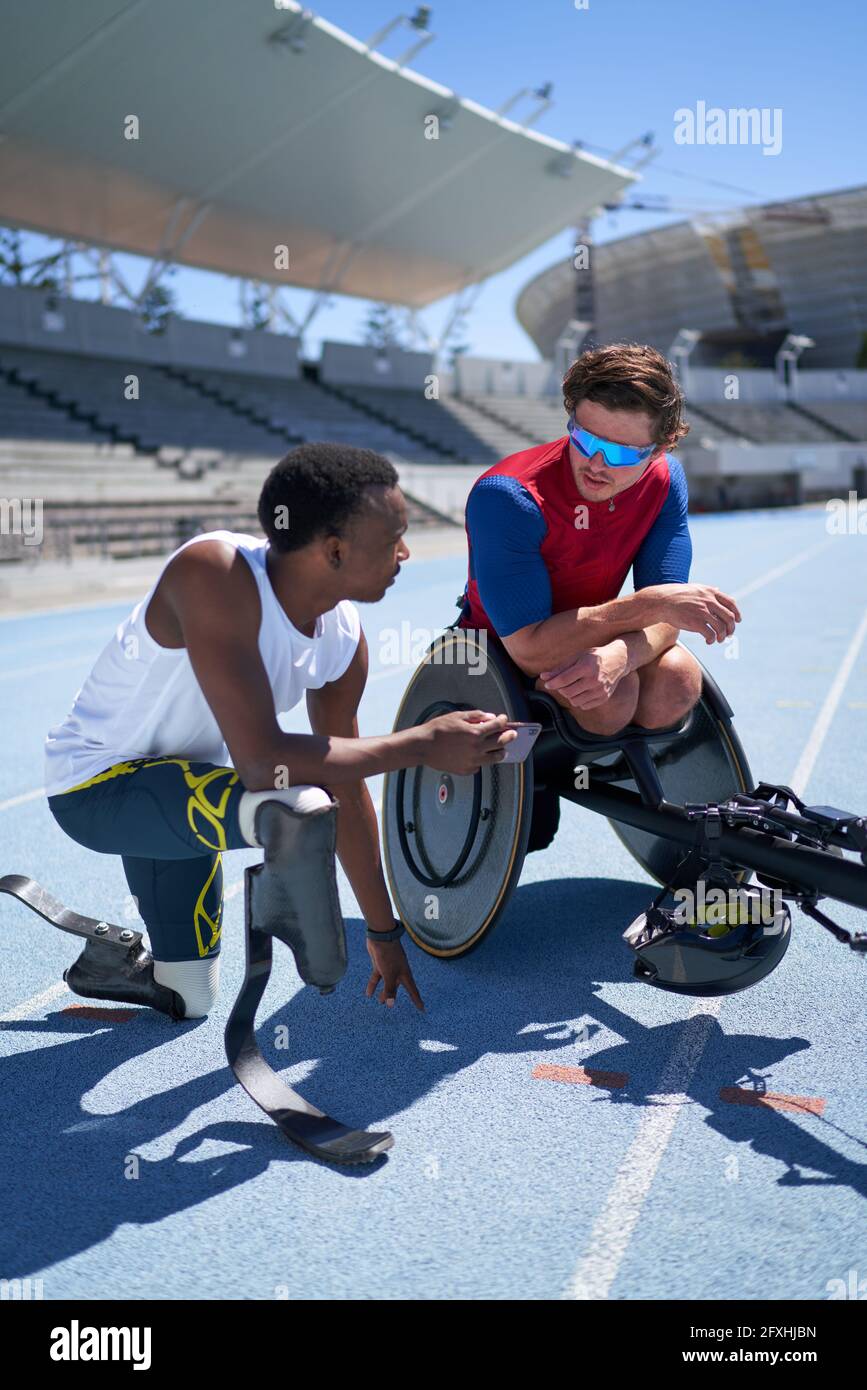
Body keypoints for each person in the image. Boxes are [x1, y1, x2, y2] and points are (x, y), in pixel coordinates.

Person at [44, 444, 516, 1019]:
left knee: (188, 998)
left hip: (185, 801)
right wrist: (422, 745)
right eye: (393, 538)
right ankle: (290, 886)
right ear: (335, 550)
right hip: (95, 789)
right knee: (299, 806)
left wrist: (383, 930)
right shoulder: (213, 573)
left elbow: (347, 782)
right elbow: (266, 763)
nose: (405, 553)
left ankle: (113, 959)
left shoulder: (344, 639)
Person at [458, 343, 742, 731]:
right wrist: (650, 604)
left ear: (660, 449)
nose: (596, 464)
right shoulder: (508, 497)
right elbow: (528, 650)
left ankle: (625, 769)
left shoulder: (666, 480)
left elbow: (668, 617)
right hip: (502, 654)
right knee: (611, 699)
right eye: (585, 439)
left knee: (677, 679)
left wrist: (622, 655)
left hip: (594, 639)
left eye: (621, 454)